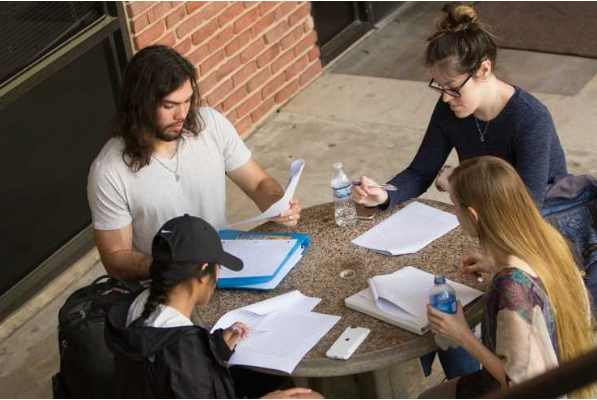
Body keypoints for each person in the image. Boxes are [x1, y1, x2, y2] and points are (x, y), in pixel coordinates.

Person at [88, 45, 300, 281]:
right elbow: (116, 259)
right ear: (139, 103)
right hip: (169, 288)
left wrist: (278, 205)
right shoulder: (109, 171)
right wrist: (176, 266)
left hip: (227, 266)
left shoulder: (211, 124)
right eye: (169, 106)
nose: (182, 114)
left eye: (187, 101)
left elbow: (259, 183)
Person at [352, 3, 568, 211]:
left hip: (541, 227)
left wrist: (459, 186)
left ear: (483, 70)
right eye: (440, 87)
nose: (446, 98)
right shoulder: (452, 106)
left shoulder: (530, 119)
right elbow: (421, 171)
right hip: (483, 216)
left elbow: (528, 206)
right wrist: (385, 194)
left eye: (453, 88)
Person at [418, 157, 594, 399]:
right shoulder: (548, 242)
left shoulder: (511, 288)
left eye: (455, 205)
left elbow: (520, 384)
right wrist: (494, 264)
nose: (455, 214)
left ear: (473, 215)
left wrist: (461, 334)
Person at [105, 214, 322, 399]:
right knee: (312, 397)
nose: (217, 277)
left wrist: (214, 349)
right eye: (218, 268)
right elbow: (181, 372)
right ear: (204, 270)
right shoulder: (182, 351)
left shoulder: (138, 305)